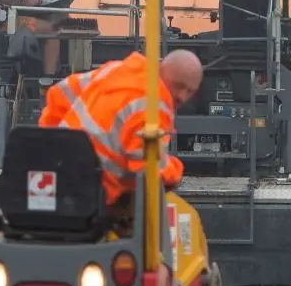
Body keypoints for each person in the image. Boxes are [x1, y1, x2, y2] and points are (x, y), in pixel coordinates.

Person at [39, 49, 203, 205]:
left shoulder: (116, 70)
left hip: (54, 176)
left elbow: (59, 94)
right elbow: (149, 169)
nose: (182, 96)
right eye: (179, 85)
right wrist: (175, 170)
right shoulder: (153, 105)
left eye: (190, 92)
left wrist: (53, 144)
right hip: (92, 196)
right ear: (161, 70)